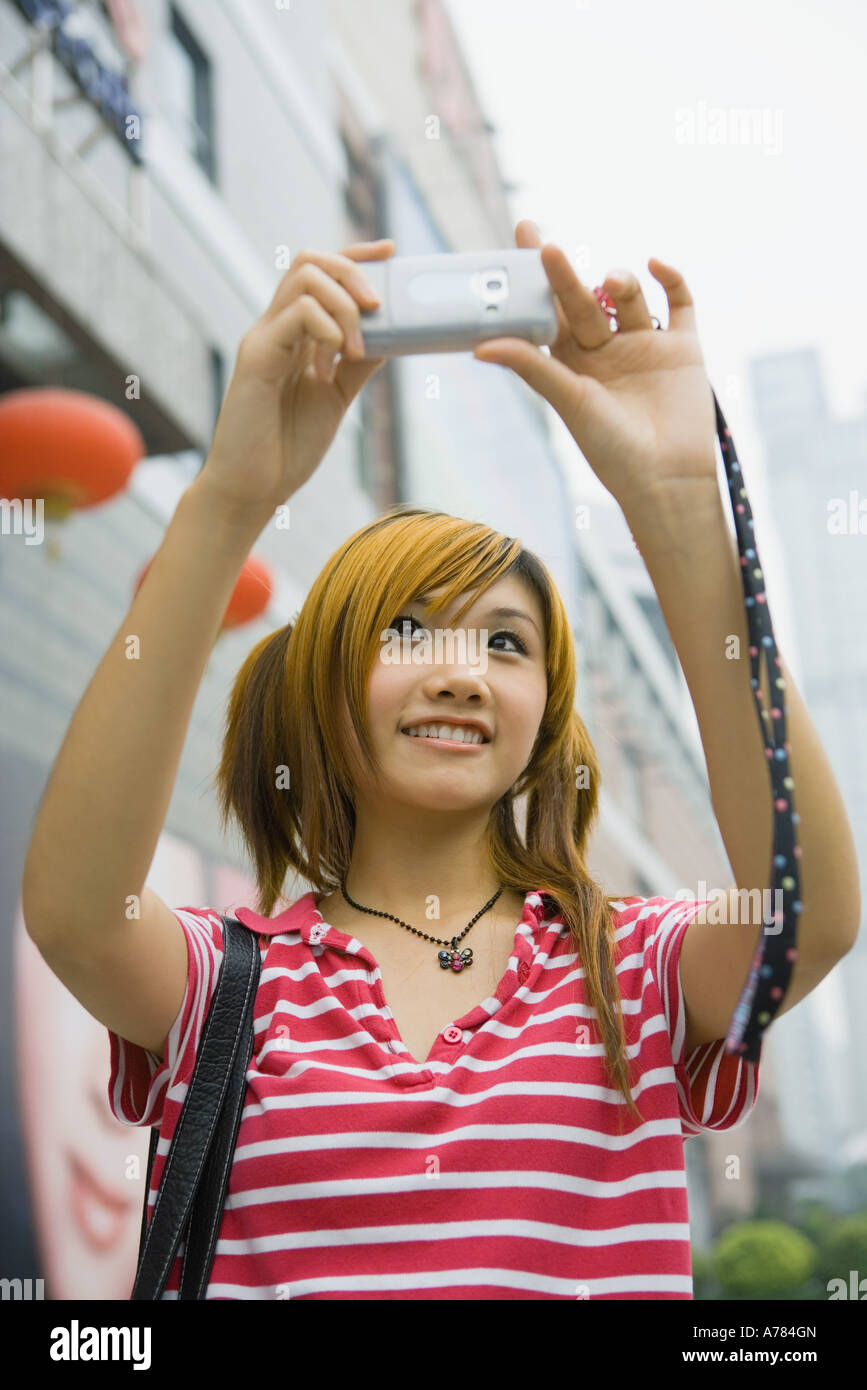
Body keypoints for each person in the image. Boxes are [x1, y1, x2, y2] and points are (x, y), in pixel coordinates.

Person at [21, 222, 860, 1300]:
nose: (463, 673)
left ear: (543, 717)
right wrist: (233, 495)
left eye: (506, 643)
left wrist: (679, 506)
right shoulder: (227, 984)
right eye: (408, 632)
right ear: (323, 684)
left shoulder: (632, 971)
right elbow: (75, 912)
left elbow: (809, 915)